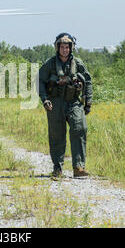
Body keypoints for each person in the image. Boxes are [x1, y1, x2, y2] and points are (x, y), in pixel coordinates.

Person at [38, 33, 93, 180]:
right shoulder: (49, 64)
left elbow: (87, 81)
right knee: (57, 135)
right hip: (55, 103)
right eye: (62, 47)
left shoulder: (78, 63)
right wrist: (45, 100)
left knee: (79, 129)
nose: (65, 50)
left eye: (67, 47)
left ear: (71, 48)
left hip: (74, 102)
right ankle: (57, 169)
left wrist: (88, 101)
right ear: (57, 48)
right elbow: (41, 82)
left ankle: (79, 167)